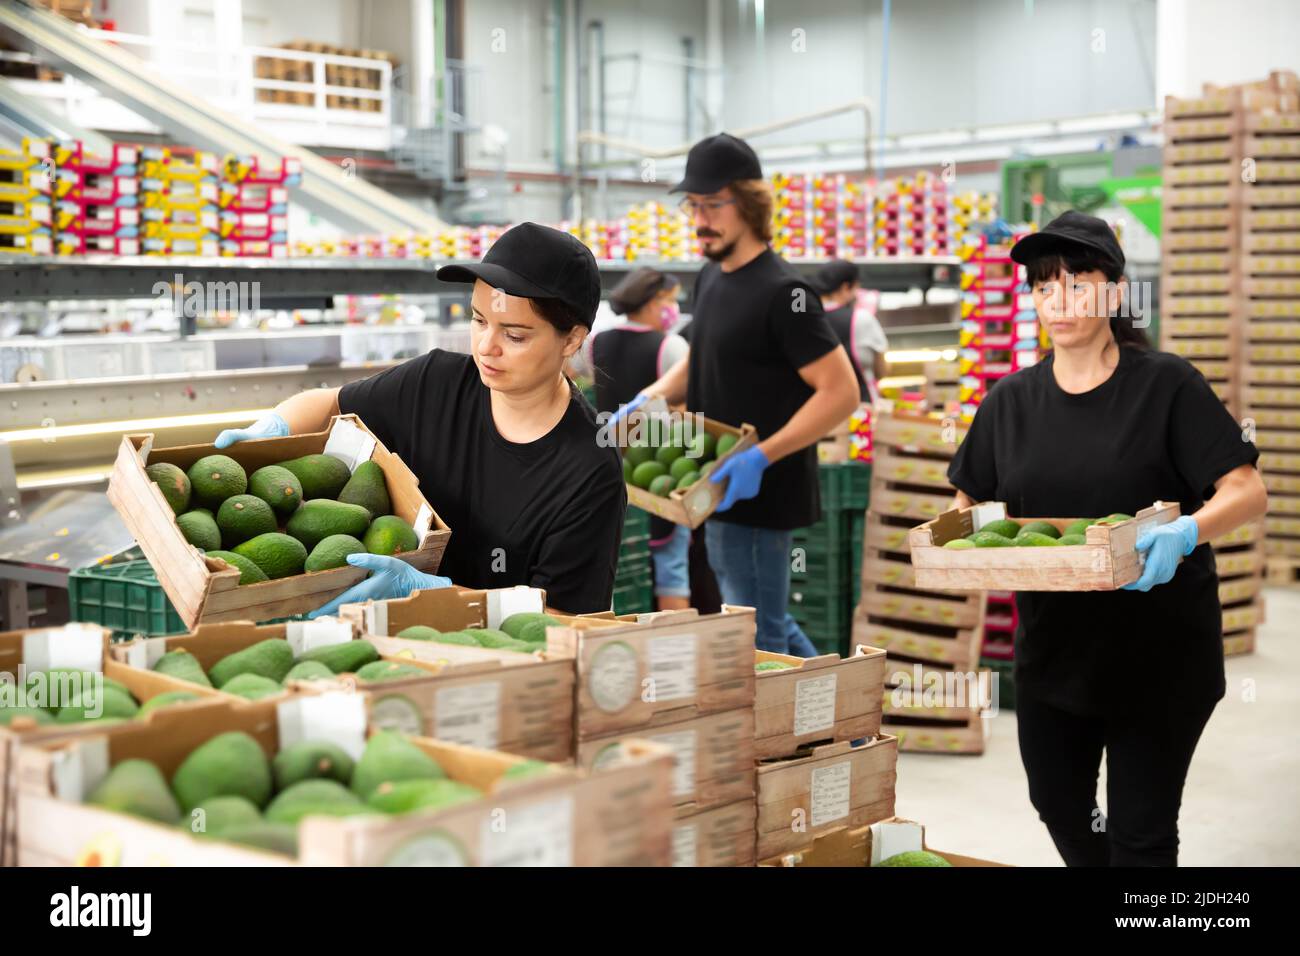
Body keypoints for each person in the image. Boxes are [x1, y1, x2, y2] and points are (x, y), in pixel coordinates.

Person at [946, 211, 1268, 866]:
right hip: (1054, 656)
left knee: (1141, 834)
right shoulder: (1009, 402)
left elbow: (1246, 490)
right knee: (1059, 803)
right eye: (1043, 286)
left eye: (1077, 282)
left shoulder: (1166, 385)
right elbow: (969, 501)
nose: (1058, 301)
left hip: (1160, 658)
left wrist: (1186, 531)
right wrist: (962, 545)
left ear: (1115, 292)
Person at [214, 222, 626, 615]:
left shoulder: (588, 470)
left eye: (514, 335)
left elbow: (564, 618)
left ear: (572, 338)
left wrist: (439, 596)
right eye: (479, 320)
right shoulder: (435, 382)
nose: (486, 346)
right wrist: (272, 430)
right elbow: (328, 404)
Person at [623, 132, 861, 655]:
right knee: (760, 621)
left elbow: (842, 393)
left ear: (750, 203)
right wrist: (653, 395)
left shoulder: (786, 294)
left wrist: (760, 456)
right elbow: (704, 357)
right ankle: (847, 718)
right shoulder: (711, 277)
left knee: (758, 635)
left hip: (760, 493)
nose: (700, 219)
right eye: (694, 206)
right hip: (716, 486)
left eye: (713, 204)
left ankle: (814, 730)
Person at [572, 267, 692, 611]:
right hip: (662, 471)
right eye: (671, 300)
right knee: (671, 569)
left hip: (611, 465)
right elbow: (687, 409)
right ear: (655, 301)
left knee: (618, 562)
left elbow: (571, 378)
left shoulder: (597, 343)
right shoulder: (671, 347)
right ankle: (676, 650)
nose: (673, 308)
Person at [813, 258, 889, 400]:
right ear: (846, 287)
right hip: (860, 407)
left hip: (819, 408)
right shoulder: (861, 318)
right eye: (856, 288)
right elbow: (882, 370)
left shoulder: (805, 319)